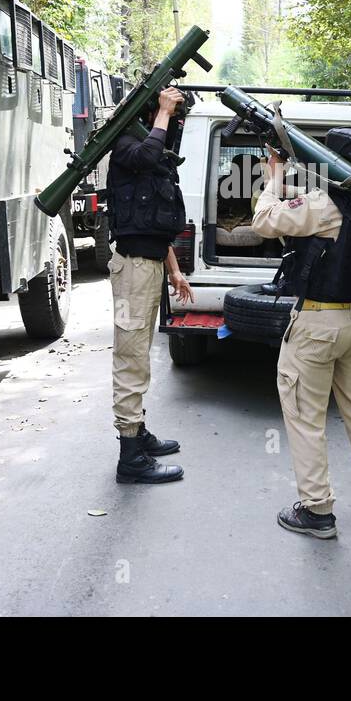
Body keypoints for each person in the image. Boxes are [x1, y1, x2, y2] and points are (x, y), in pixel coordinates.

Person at [251, 128, 351, 539]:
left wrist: (273, 175)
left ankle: (317, 511)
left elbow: (264, 221)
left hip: (319, 324)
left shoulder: (323, 205)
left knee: (305, 417)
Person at [106, 86, 194, 484]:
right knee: (131, 358)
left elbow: (152, 225)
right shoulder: (126, 144)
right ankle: (130, 457)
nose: (172, 122)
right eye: (168, 115)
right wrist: (162, 111)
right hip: (133, 271)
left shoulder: (147, 150)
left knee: (139, 353)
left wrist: (173, 268)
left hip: (150, 264)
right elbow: (146, 154)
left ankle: (138, 433)